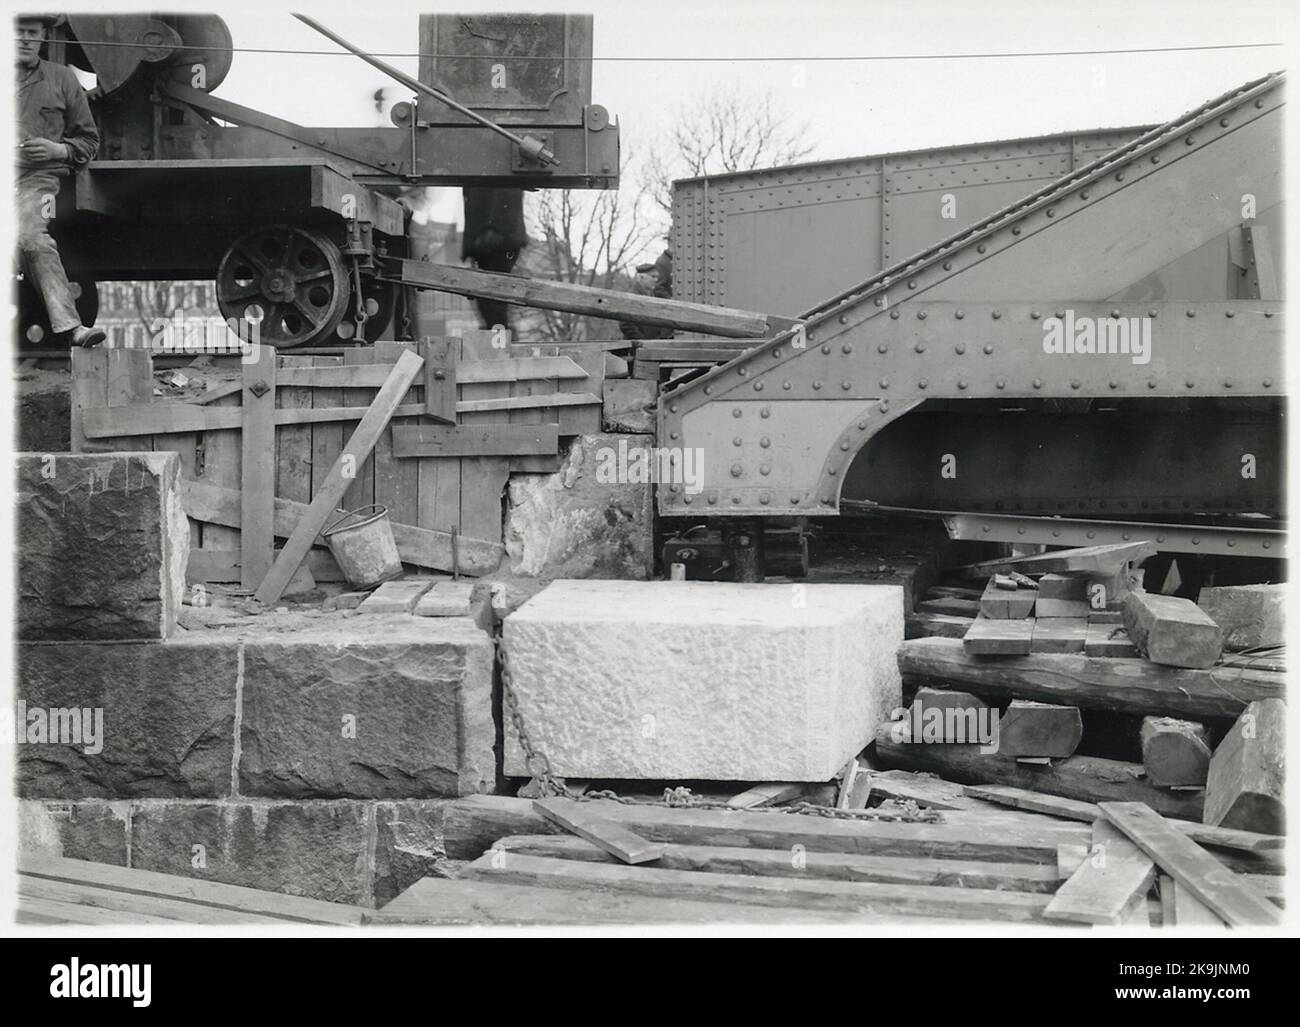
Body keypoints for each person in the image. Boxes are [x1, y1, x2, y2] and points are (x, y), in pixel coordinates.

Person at [15, 13, 105, 346]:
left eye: (31, 33)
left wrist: (57, 150)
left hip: (36, 180)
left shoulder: (62, 79)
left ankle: (72, 327)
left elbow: (88, 142)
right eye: (16, 32)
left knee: (32, 238)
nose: (24, 39)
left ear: (42, 38)